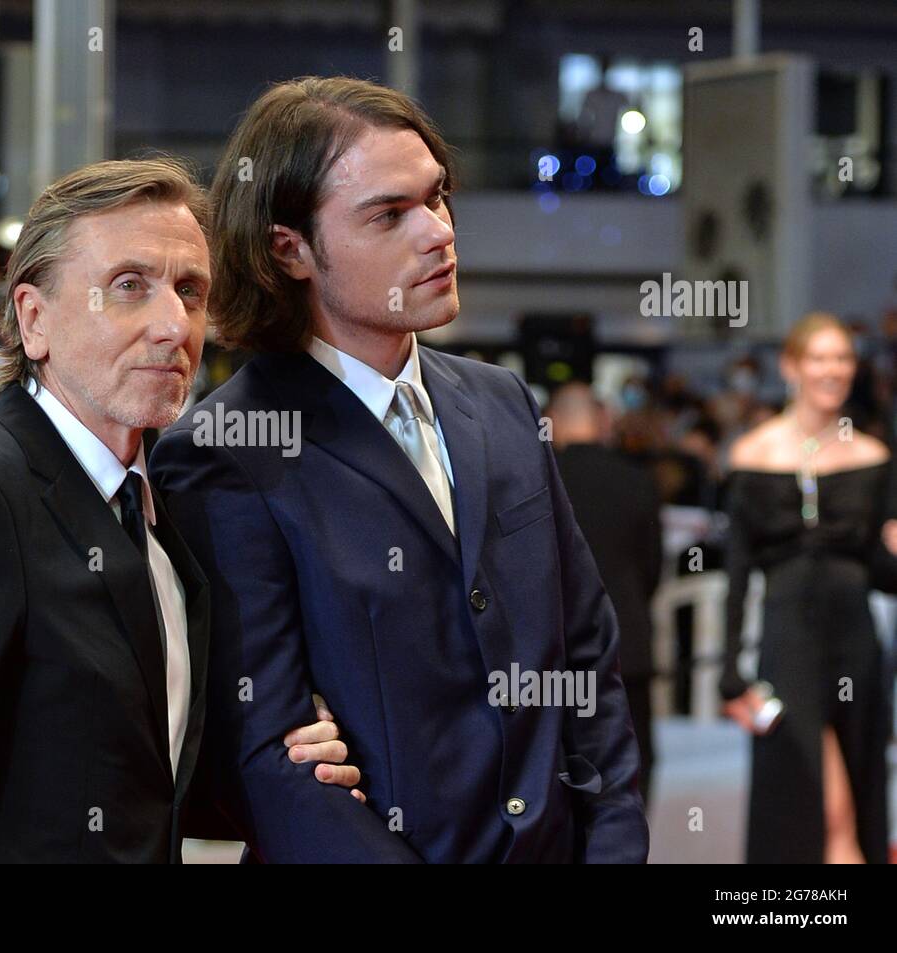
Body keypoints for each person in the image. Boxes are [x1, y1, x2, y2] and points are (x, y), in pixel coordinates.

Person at [150, 76, 648, 863]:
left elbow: (586, 658)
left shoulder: (503, 403)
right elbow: (272, 758)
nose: (438, 232)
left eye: (437, 197)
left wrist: (612, 849)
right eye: (388, 214)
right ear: (291, 249)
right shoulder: (227, 450)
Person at [0, 158, 361, 863]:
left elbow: (139, 783)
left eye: (189, 291)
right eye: (128, 287)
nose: (174, 325)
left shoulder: (165, 509)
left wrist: (289, 755)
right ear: (34, 318)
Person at [722, 311, 894, 864]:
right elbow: (738, 571)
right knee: (813, 800)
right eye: (820, 357)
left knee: (857, 795)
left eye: (843, 357)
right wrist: (729, 672)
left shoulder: (874, 456)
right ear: (791, 366)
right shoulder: (753, 453)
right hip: (788, 640)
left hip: (856, 641)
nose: (834, 369)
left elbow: (882, 575)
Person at [547, 383, 663, 807]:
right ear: (603, 421)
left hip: (554, 652)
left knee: (563, 771)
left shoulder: (537, 478)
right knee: (632, 769)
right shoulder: (636, 480)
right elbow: (652, 567)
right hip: (628, 643)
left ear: (551, 424)